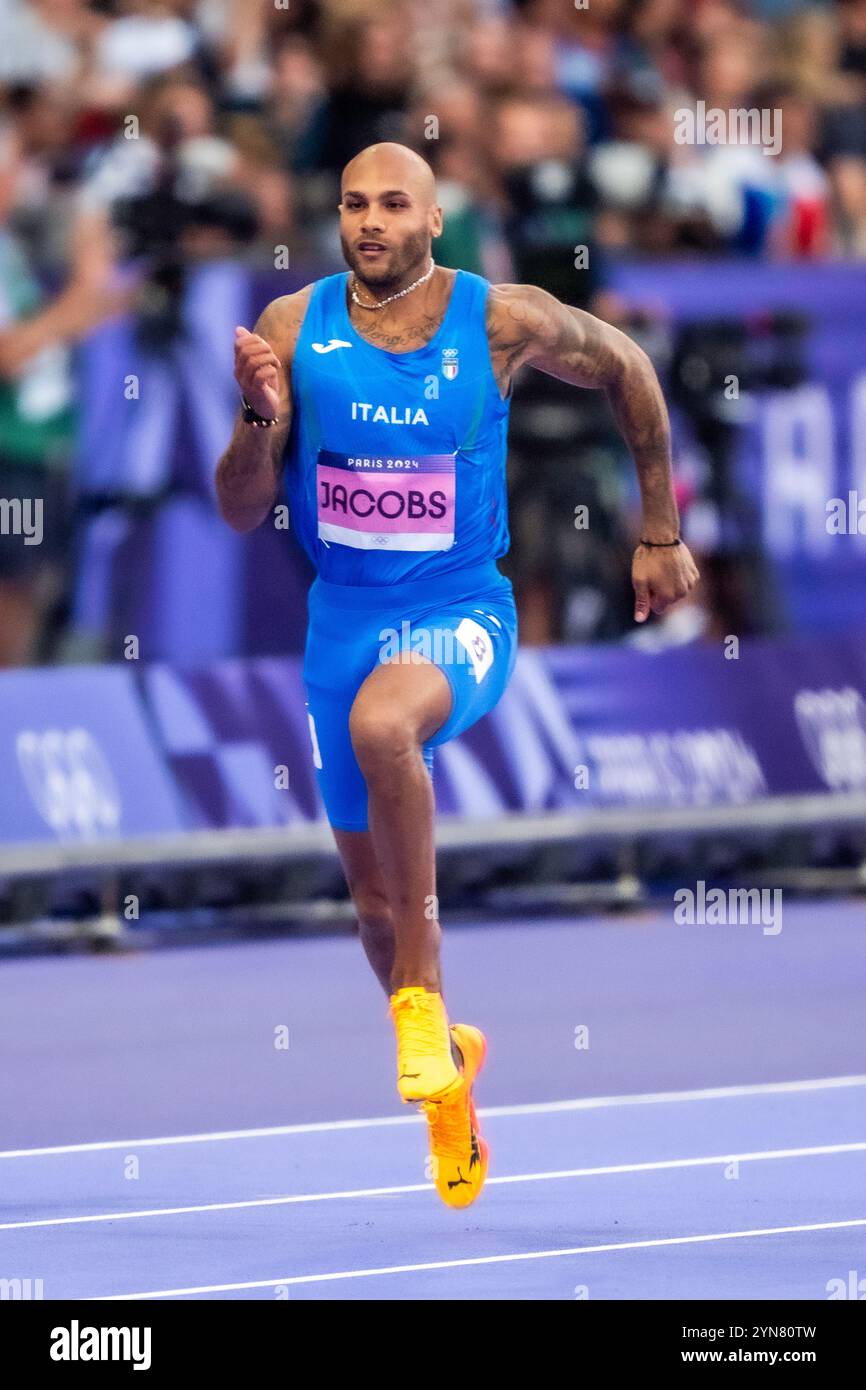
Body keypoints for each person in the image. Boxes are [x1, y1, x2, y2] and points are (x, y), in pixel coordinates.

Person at [216, 142, 698, 1209]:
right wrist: (258, 415)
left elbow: (625, 364)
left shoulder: (500, 318)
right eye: (352, 204)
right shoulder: (294, 331)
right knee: (373, 910)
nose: (370, 221)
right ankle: (450, 1091)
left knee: (387, 730)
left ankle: (424, 1005)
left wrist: (658, 525)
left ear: (434, 222)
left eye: (394, 203)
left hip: (458, 613)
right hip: (338, 624)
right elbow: (241, 506)